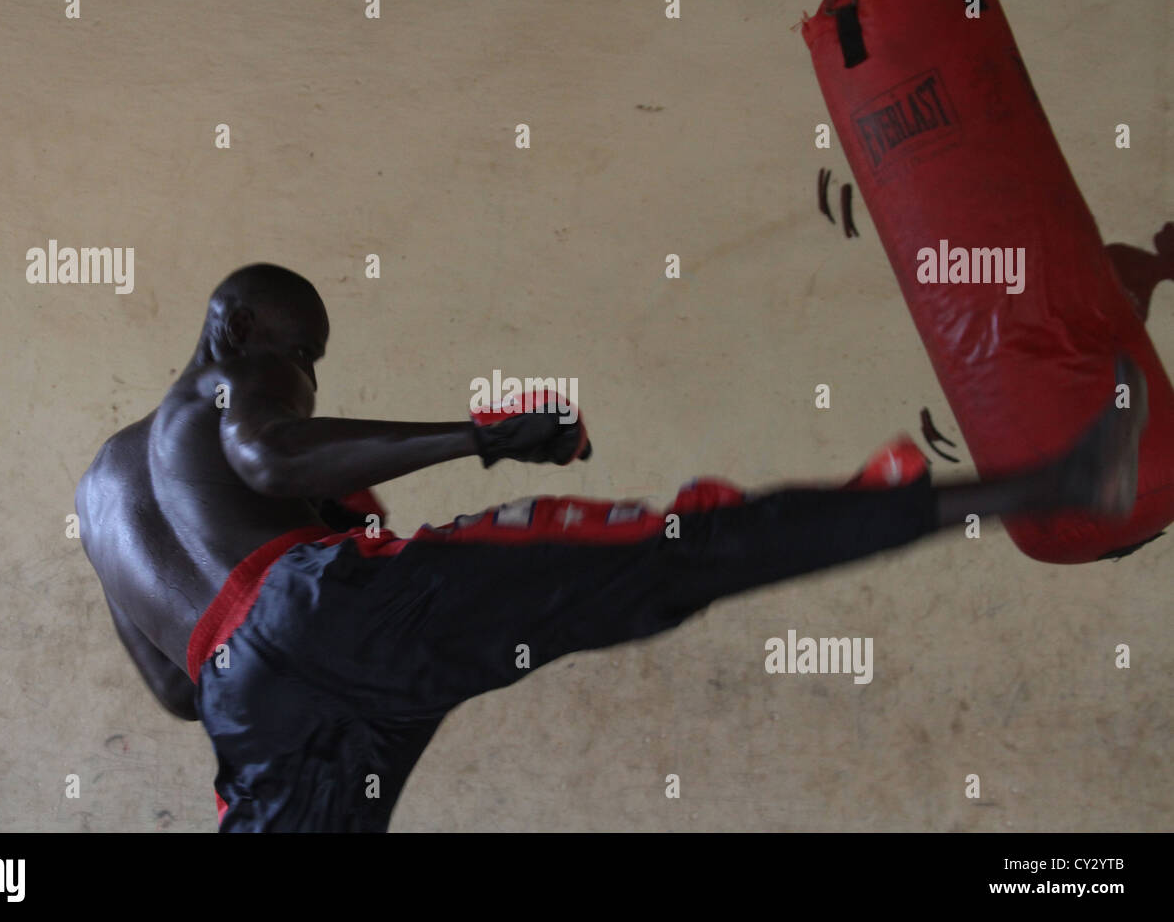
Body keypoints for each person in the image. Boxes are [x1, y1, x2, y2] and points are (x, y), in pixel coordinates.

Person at [75, 263, 1148, 831]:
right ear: (238, 330)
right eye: (302, 358)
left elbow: (173, 695)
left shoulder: (102, 491)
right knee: (669, 548)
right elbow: (268, 457)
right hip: (325, 613)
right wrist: (481, 434)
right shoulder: (230, 380)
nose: (305, 378)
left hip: (250, 708)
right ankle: (1042, 480)